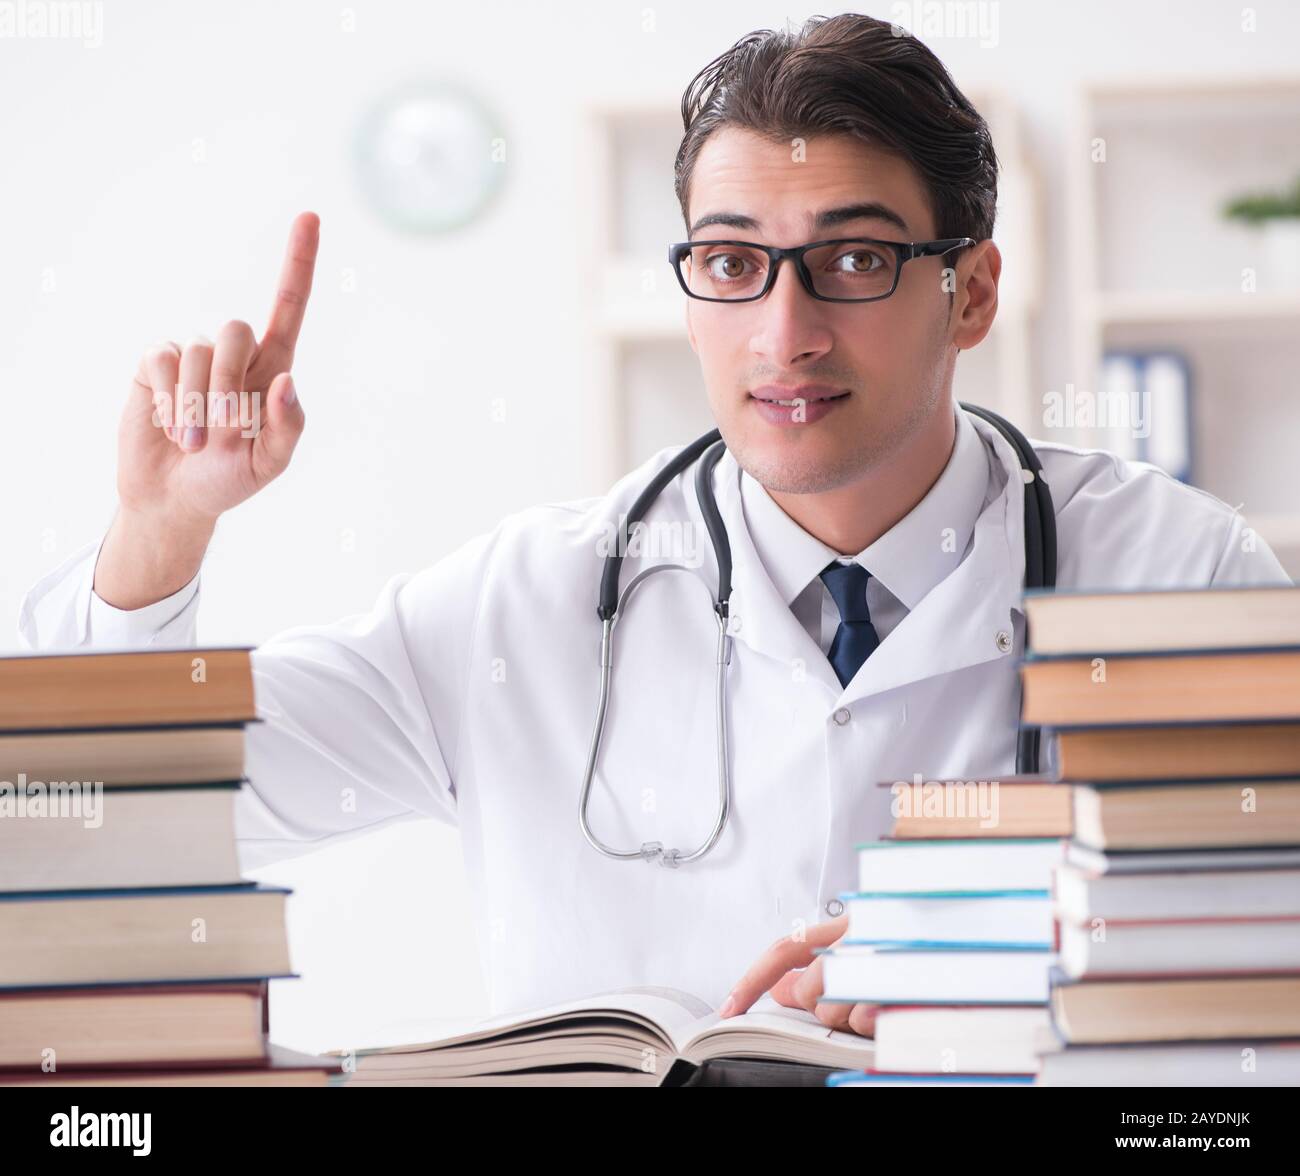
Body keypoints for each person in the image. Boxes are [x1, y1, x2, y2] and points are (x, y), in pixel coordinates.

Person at [17, 14, 1291, 1035]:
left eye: (854, 261)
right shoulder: (524, 605)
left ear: (972, 291)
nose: (784, 332)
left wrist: (1005, 947)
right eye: (733, 263)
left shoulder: (1175, 569)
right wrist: (160, 530)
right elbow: (98, 817)